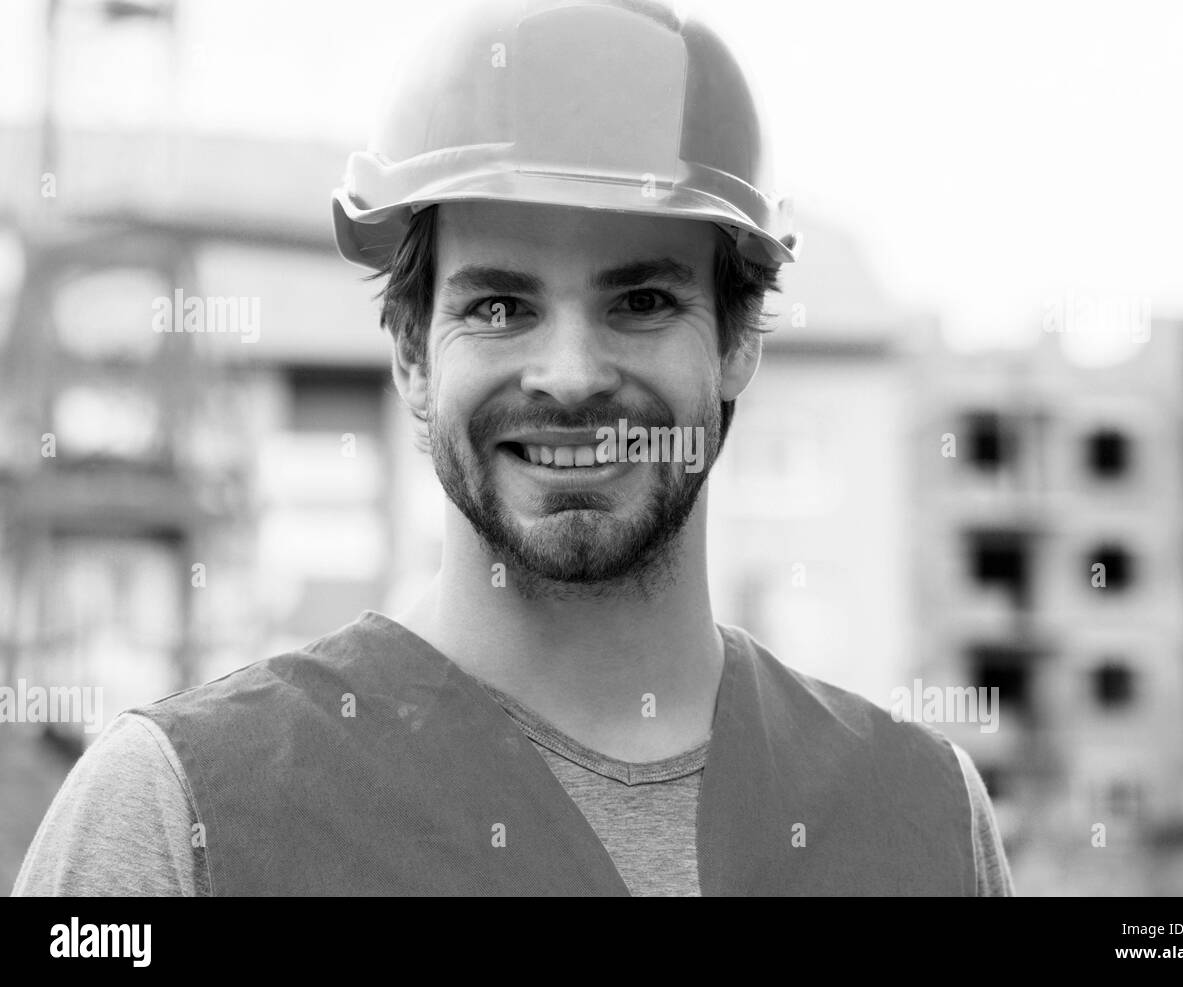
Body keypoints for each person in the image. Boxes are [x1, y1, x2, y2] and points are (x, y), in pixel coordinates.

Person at [13, 0, 1013, 896]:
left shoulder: (925, 822)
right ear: (411, 353)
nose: (569, 374)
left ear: (739, 337)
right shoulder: (181, 819)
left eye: (641, 300)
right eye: (499, 305)